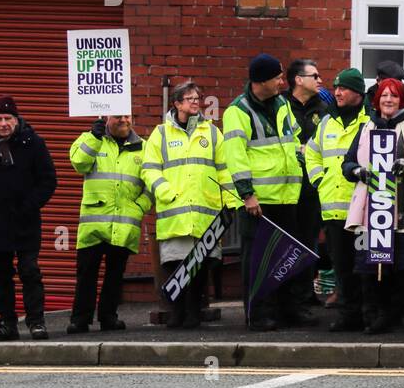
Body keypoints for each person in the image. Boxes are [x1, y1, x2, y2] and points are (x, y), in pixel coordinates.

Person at [224, 54, 309, 331]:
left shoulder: (282, 103)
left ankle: (286, 310)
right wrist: (248, 195)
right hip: (259, 200)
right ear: (261, 81)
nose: (282, 81)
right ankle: (257, 314)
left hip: (287, 195)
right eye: (277, 77)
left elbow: (293, 138)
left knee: (286, 257)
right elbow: (236, 158)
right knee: (257, 260)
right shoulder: (238, 111)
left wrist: (300, 158)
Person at [0, 96, 58, 342]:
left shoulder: (33, 142)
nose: (3, 123)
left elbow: (48, 180)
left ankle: (36, 322)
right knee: (1, 274)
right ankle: (7, 323)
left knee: (29, 271)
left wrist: (29, 205)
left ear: (16, 120)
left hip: (24, 220)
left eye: (8, 118)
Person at [141, 81, 231, 329]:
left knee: (199, 268)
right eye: (189, 98)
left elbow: (224, 171)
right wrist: (164, 191)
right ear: (177, 104)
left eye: (197, 98)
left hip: (205, 212)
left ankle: (193, 313)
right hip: (175, 212)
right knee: (175, 265)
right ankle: (176, 312)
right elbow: (149, 169)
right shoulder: (160, 134)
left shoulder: (212, 133)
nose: (195, 102)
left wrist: (231, 203)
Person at [342, 77, 404, 333]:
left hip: (402, 204)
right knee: (371, 263)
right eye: (384, 96)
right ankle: (376, 314)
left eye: (395, 96)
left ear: (402, 100)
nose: (389, 100)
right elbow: (346, 164)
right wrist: (358, 171)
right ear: (377, 100)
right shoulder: (366, 128)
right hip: (372, 205)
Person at [66, 113, 151, 334]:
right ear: (106, 119)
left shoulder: (144, 147)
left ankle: (108, 317)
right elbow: (79, 163)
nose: (124, 120)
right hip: (94, 222)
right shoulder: (90, 138)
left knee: (115, 274)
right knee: (86, 273)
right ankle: (80, 319)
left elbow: (151, 184)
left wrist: (139, 207)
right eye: (117, 116)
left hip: (124, 222)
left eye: (127, 115)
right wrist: (94, 136)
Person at [305, 68, 372, 331]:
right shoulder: (326, 122)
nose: (338, 92)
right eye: (336, 88)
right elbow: (311, 153)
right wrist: (319, 180)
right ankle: (348, 315)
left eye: (343, 88)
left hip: (361, 209)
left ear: (358, 92)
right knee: (342, 267)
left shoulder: (370, 121)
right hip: (333, 209)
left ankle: (367, 314)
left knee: (364, 267)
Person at [286, 58, 333, 305]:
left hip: (312, 186)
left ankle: (305, 294)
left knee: (309, 240)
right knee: (289, 241)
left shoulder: (323, 108)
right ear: (299, 80)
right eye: (314, 76)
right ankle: (289, 296)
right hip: (285, 186)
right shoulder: (282, 106)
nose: (320, 80)